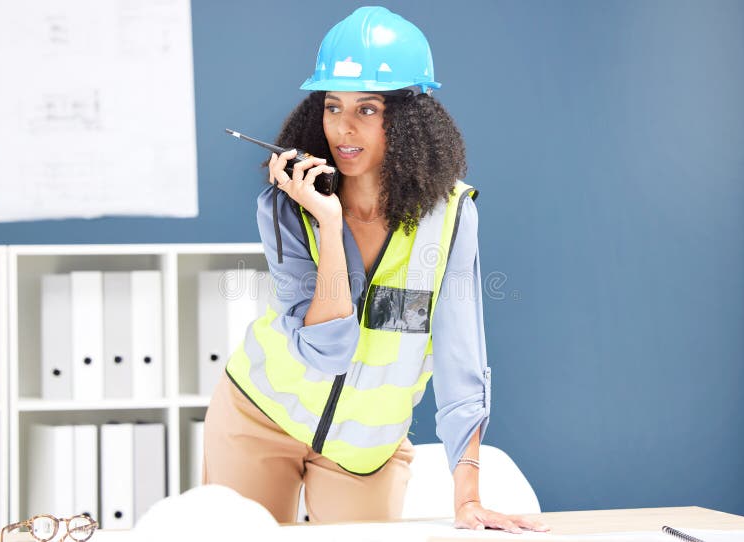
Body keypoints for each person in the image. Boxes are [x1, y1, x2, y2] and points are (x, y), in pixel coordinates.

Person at [203, 6, 549, 533]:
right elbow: (327, 349)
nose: (343, 127)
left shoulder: (453, 217)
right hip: (257, 417)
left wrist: (469, 497)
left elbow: (462, 359)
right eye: (332, 105)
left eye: (367, 109)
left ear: (409, 118)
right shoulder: (287, 206)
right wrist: (327, 222)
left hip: (365, 450)